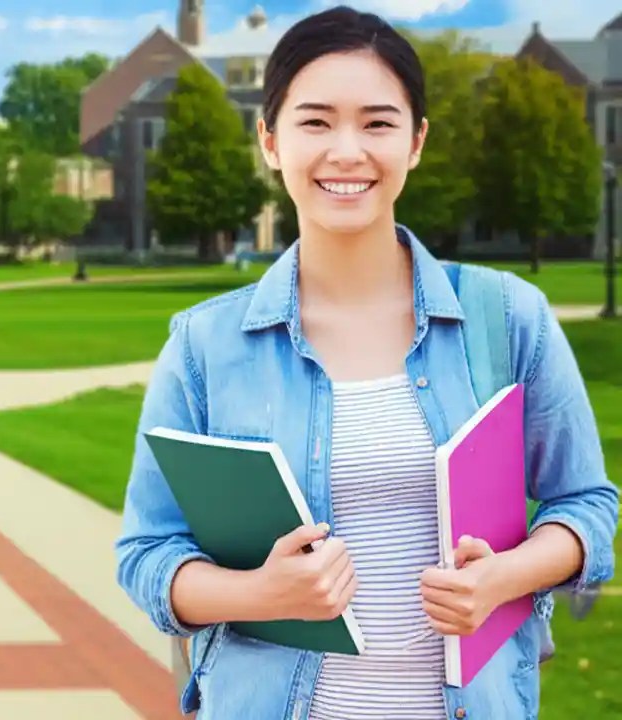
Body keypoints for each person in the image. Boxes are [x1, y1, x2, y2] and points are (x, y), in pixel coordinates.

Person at [114, 5, 619, 719]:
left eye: (378, 123)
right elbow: (146, 554)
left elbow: (587, 507)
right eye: (315, 122)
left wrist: (505, 577)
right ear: (269, 141)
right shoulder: (203, 346)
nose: (346, 151)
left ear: (416, 142)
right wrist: (259, 594)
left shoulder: (509, 318)